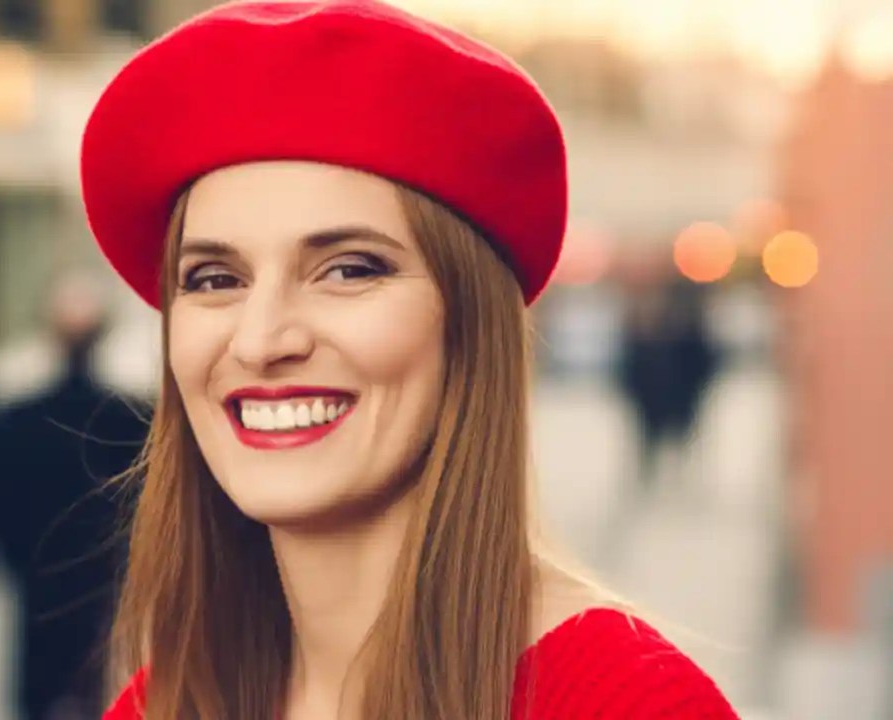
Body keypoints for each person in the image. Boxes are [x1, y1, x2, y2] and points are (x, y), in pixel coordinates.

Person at [78, 1, 740, 718]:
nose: (261, 340)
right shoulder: (163, 703)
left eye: (349, 269)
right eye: (215, 279)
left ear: (468, 324)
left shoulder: (626, 703)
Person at [0, 276, 148, 720]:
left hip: (40, 572)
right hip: (98, 570)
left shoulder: (20, 419)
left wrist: (13, 556)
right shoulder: (128, 419)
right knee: (94, 675)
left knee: (39, 678)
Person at [617, 276, 722, 497]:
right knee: (653, 440)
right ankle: (654, 477)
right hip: (654, 398)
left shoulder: (683, 332)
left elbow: (703, 365)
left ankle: (668, 476)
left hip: (673, 397)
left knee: (673, 439)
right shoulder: (645, 332)